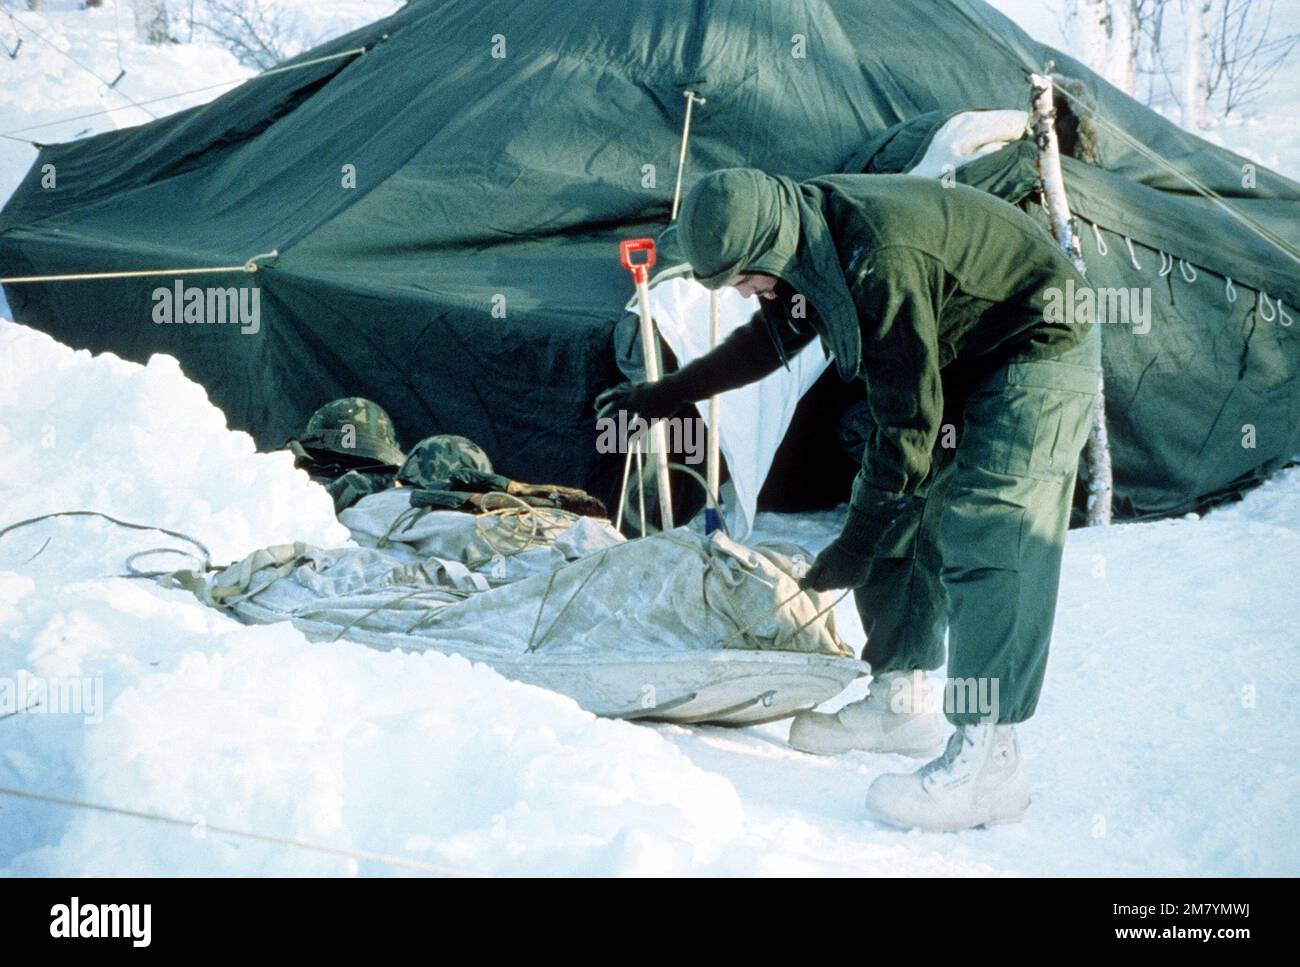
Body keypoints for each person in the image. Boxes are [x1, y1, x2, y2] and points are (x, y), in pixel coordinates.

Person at [596, 168, 1100, 831]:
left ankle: (991, 758)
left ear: (767, 250)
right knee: (900, 504)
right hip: (967, 348)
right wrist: (670, 392)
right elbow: (771, 340)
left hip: (1041, 336)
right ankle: (901, 694)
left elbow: (908, 429)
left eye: (746, 280)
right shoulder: (807, 232)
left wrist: (855, 542)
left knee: (991, 524)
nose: (747, 294)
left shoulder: (878, 259)